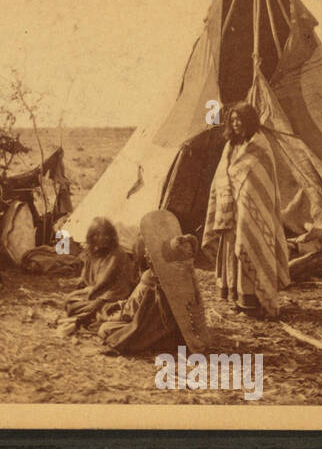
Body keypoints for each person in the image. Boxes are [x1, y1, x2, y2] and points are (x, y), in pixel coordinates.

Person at [202, 101, 289, 318]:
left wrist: (247, 205)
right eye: (233, 120)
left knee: (252, 247)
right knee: (234, 254)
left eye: (240, 119)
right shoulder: (231, 145)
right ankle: (239, 300)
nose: (236, 123)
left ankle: (256, 301)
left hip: (251, 213)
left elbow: (261, 185)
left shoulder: (260, 146)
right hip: (231, 212)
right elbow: (222, 176)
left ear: (249, 121)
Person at [97, 234, 199, 355]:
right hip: (175, 336)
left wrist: (116, 311)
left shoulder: (150, 277)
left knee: (104, 329)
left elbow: (130, 312)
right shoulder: (188, 278)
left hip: (147, 333)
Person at [58, 217, 140, 336]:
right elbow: (86, 278)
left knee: (98, 309)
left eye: (106, 235)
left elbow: (113, 283)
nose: (102, 239)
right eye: (97, 235)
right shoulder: (92, 253)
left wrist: (97, 298)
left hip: (114, 295)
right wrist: (81, 290)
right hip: (96, 291)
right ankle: (88, 315)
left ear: (111, 236)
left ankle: (86, 318)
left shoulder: (118, 255)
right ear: (92, 236)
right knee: (70, 302)